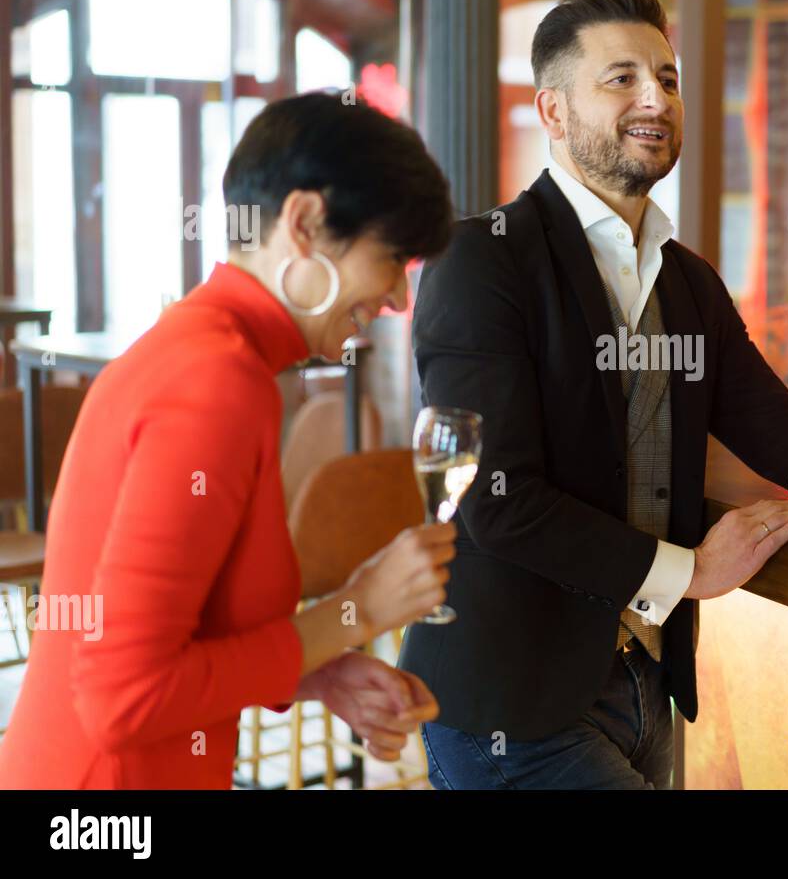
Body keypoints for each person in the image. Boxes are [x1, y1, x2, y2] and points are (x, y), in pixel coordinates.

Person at [401, 0, 788, 789]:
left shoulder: (686, 281)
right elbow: (496, 497)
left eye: (669, 79)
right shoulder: (483, 260)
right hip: (511, 701)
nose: (655, 98)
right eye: (621, 78)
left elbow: (778, 430)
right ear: (552, 110)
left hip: (648, 684)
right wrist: (693, 573)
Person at [0, 93, 457, 789]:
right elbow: (122, 696)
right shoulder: (217, 381)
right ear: (303, 223)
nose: (397, 296)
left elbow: (178, 641)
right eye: (391, 258)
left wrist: (318, 671)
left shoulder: (204, 348)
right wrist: (356, 607)